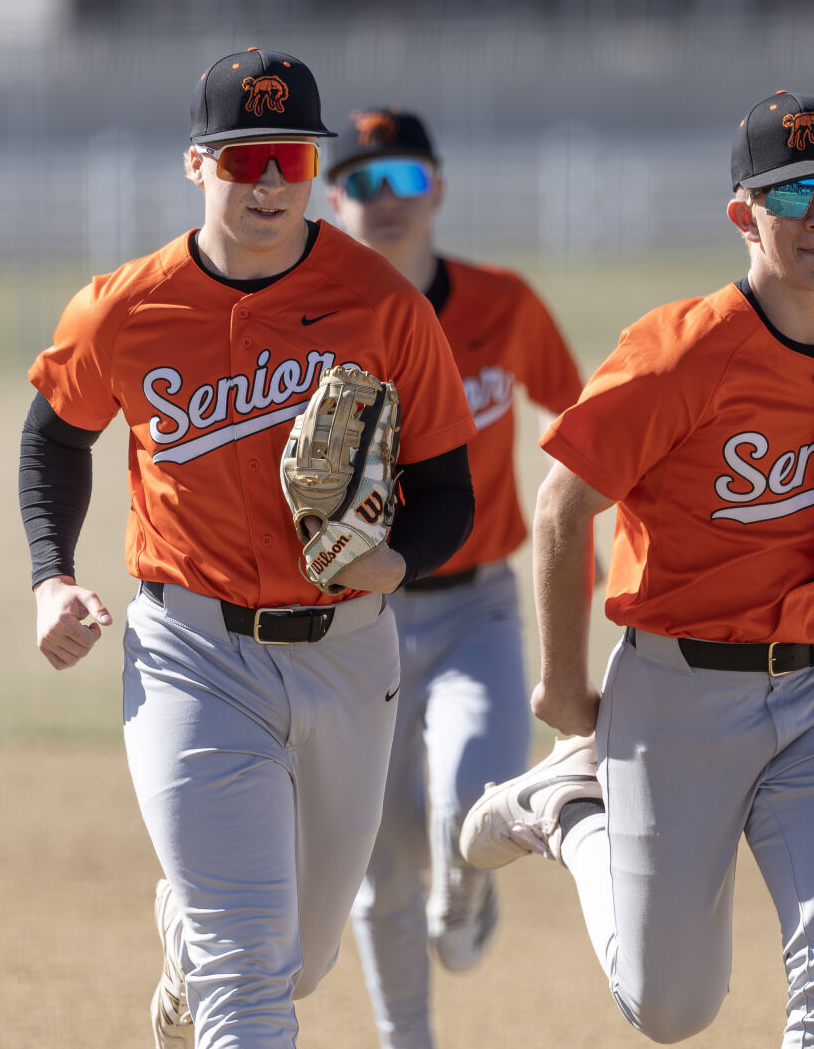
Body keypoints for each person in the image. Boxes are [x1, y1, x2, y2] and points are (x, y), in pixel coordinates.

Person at [458, 92, 814, 1048]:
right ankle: (569, 808)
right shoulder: (679, 354)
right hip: (675, 697)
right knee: (670, 1008)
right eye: (793, 194)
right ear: (745, 214)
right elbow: (565, 502)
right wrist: (565, 688)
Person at [17, 49, 477, 1049]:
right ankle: (214, 948)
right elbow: (56, 433)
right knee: (250, 975)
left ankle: (192, 940)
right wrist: (53, 575)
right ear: (197, 165)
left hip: (351, 654)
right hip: (193, 651)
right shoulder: (127, 306)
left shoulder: (385, 306)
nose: (269, 182)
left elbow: (449, 491)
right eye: (243, 158)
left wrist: (397, 563)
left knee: (298, 960)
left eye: (290, 158)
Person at [321, 108, 584, 1049]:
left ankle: (466, 885)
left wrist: (602, 536)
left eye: (404, 179)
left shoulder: (501, 303)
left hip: (476, 602)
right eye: (362, 181)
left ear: (437, 187)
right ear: (330, 197)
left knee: (472, 793)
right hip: (357, 619)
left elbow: (584, 422)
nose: (385, 201)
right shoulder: (315, 318)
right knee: (376, 860)